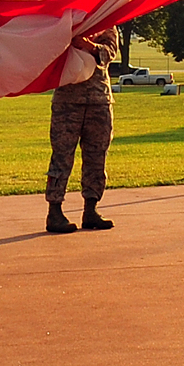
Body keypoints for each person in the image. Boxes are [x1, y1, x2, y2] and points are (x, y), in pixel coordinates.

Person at [45, 26, 120, 233]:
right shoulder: (65, 22)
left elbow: (110, 53)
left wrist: (89, 46)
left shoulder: (106, 21)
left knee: (97, 157)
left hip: (99, 100)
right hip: (67, 101)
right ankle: (55, 210)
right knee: (61, 157)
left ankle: (91, 209)